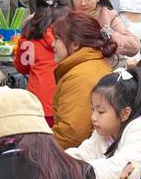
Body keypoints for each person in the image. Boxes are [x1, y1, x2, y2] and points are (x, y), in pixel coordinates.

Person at [50, 11, 118, 149]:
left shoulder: (80, 77)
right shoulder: (93, 64)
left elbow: (71, 135)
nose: (52, 44)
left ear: (75, 44)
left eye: (57, 38)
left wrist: (36, 149)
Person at [12, 0, 70, 123]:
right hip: (65, 101)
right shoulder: (71, 29)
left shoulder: (30, 30)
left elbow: (22, 67)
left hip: (36, 104)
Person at [70, 0, 140, 59]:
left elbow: (134, 45)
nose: (83, 3)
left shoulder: (108, 16)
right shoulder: (65, 18)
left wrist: (110, 35)